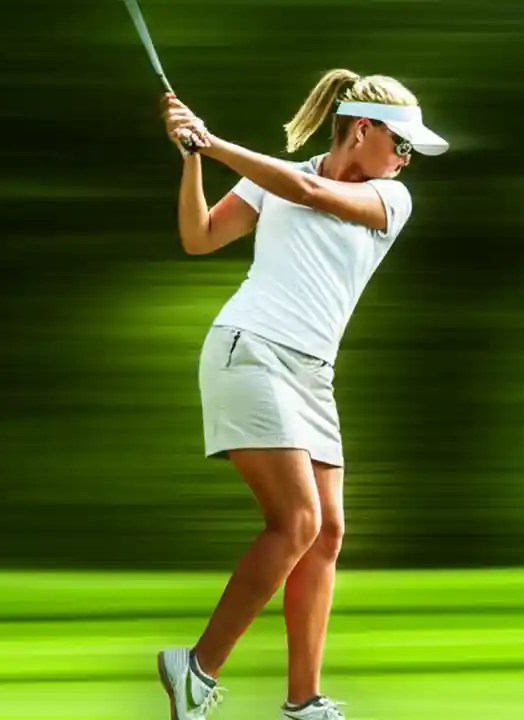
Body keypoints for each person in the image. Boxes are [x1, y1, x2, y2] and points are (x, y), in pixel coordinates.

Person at [153, 68, 448, 720]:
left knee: (327, 533)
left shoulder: (390, 199)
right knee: (298, 522)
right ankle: (196, 669)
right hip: (249, 351)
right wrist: (193, 159)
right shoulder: (274, 177)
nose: (405, 161)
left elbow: (310, 190)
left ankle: (302, 701)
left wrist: (216, 143)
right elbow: (199, 237)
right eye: (401, 145)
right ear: (364, 129)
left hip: (313, 373)